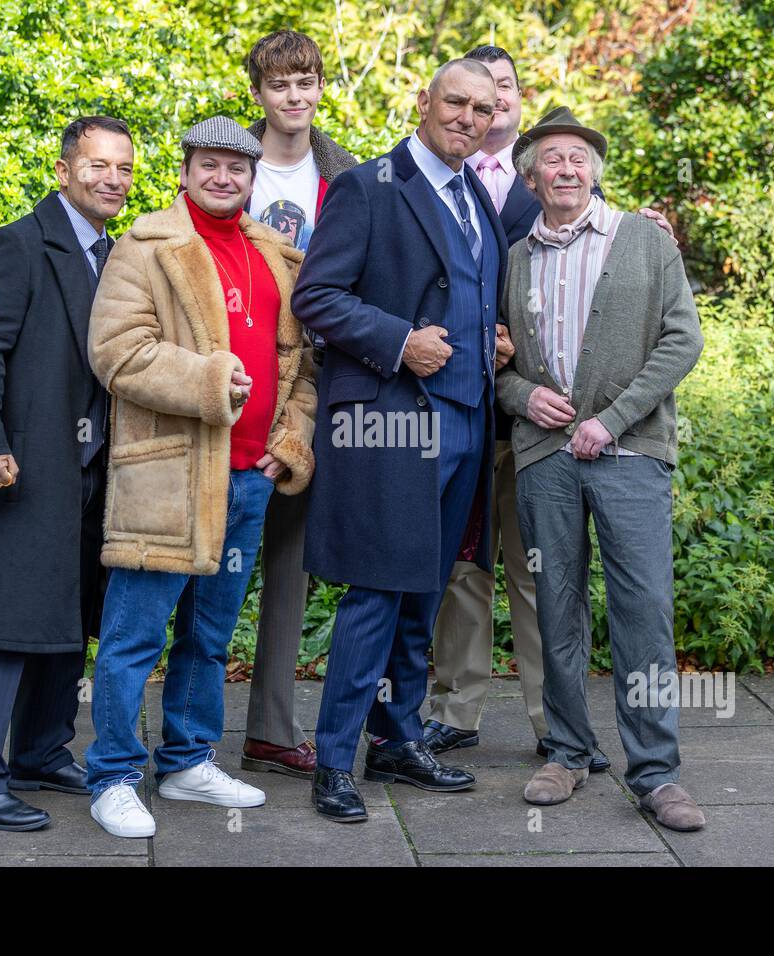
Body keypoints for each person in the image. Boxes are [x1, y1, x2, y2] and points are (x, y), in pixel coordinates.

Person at [424, 45, 673, 772]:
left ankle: (554, 724)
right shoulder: (441, 177)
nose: (489, 103)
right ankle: (457, 708)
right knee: (465, 569)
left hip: (562, 433)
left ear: (517, 102)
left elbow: (659, 321)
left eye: (503, 88)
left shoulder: (581, 204)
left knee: (542, 577)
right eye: (475, 92)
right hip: (475, 411)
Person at [83, 116, 317, 838]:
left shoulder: (278, 254)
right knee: (133, 636)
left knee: (210, 637)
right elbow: (116, 351)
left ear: (252, 179)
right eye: (209, 165)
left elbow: (301, 368)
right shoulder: (148, 245)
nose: (223, 177)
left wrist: (291, 437)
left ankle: (186, 761)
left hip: (249, 479)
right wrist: (211, 379)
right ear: (185, 172)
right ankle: (114, 775)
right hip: (170, 476)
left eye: (236, 168)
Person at [294, 60, 510, 822]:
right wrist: (398, 340)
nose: (468, 117)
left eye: (483, 109)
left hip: (466, 424)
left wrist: (495, 336)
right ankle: (334, 761)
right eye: (456, 101)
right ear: (425, 102)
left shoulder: (479, 194)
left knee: (425, 591)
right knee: (378, 592)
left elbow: (471, 286)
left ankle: (395, 739)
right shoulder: (367, 187)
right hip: (391, 421)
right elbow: (316, 296)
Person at [496, 107, 706, 831]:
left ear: (595, 171)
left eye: (578, 158)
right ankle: (567, 751)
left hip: (630, 455)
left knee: (643, 610)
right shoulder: (516, 256)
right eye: (551, 159)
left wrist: (611, 420)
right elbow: (499, 368)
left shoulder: (644, 241)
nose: (566, 169)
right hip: (545, 457)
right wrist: (526, 396)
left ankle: (656, 773)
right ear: (531, 177)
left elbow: (683, 340)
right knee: (555, 606)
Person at [0, 116, 133, 832]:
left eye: (123, 169)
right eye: (97, 165)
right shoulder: (15, 245)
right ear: (62, 170)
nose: (111, 179)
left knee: (66, 616)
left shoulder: (116, 254)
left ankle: (40, 753)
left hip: (88, 473)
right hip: (17, 466)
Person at [239, 30, 357, 780]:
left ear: (318, 88)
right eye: (279, 84)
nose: (295, 96)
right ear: (258, 93)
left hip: (317, 385)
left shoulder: (347, 174)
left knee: (289, 563)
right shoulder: (228, 165)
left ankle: (269, 730)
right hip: (240, 382)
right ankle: (179, 732)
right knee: (205, 558)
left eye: (306, 82)